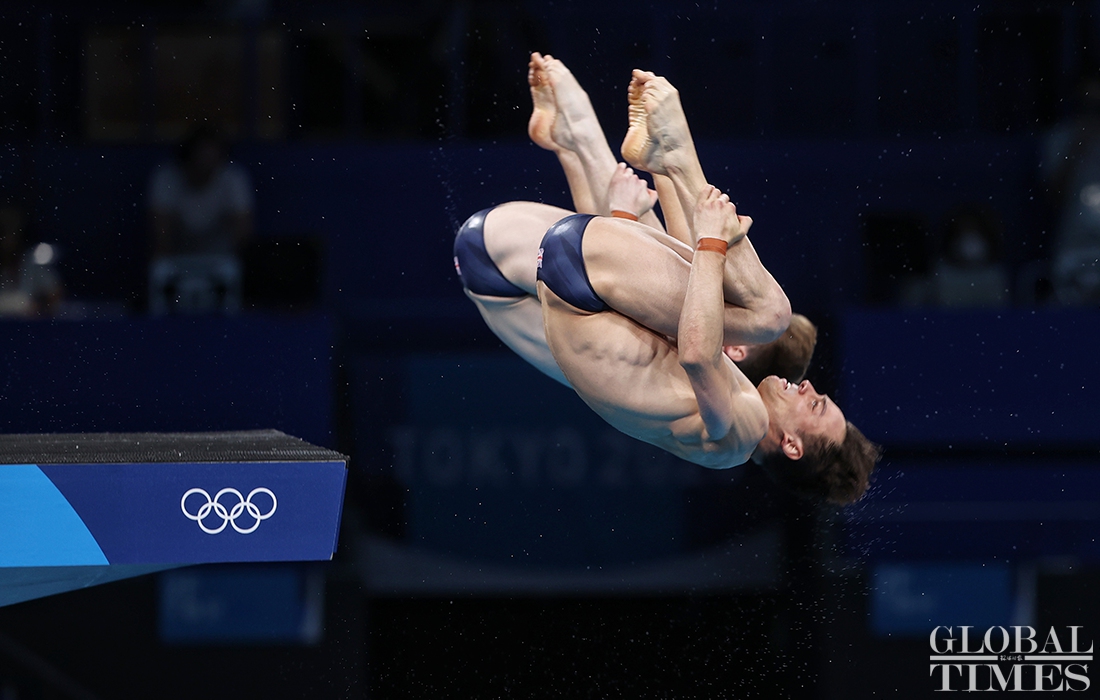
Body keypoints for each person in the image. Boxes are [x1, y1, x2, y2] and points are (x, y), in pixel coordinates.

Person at [455, 53, 817, 389]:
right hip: (497, 261)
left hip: (499, 264)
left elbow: (606, 283)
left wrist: (628, 213)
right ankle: (578, 144)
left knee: (715, 297)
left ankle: (596, 143)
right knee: (694, 276)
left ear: (737, 350)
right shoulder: (690, 368)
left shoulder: (690, 383)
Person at [147, 124, 253, 313]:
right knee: (160, 270)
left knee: (232, 276)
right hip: (178, 256)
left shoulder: (233, 178)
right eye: (202, 156)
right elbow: (161, 234)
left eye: (213, 156)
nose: (207, 163)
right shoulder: (166, 177)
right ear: (189, 156)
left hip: (221, 257)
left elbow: (242, 232)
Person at [0, 199, 64, 317]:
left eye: (13, 233)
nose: (8, 240)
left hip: (25, 329)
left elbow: (55, 292)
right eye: (4, 232)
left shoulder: (30, 263)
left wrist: (39, 306)